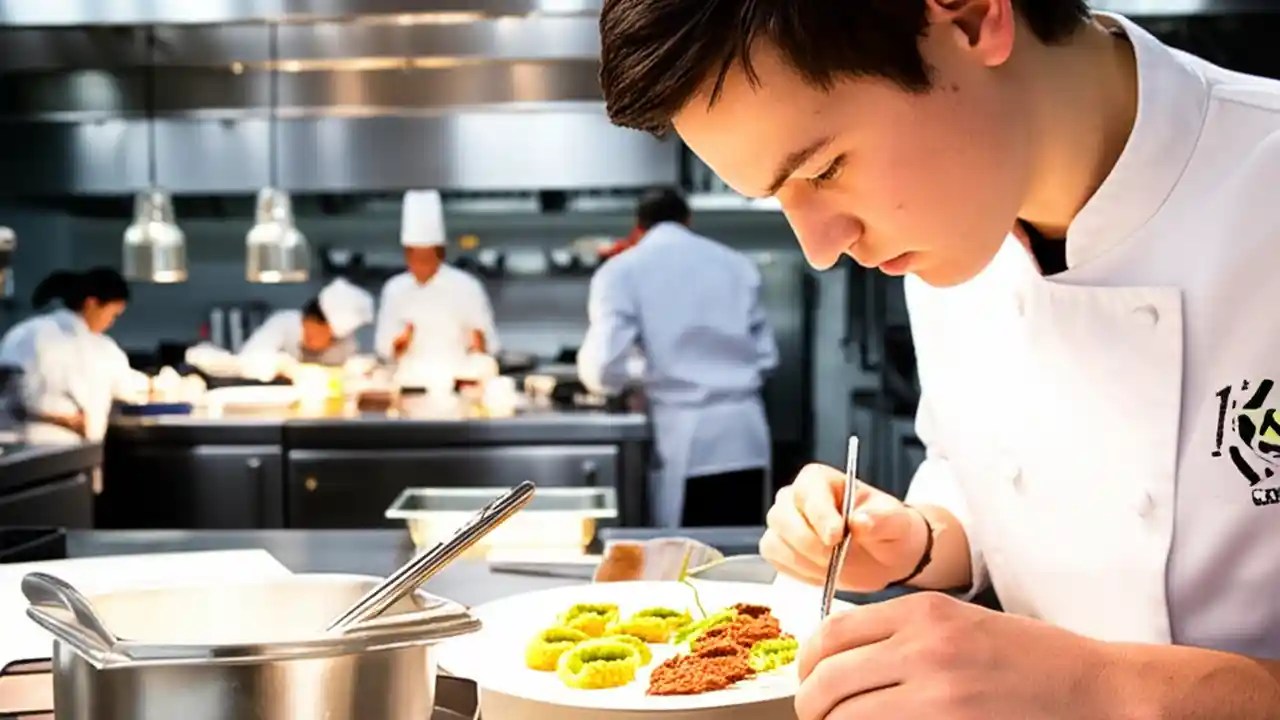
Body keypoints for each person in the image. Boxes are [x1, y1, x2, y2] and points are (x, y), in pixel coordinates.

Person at [600, 0, 1280, 717]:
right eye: (778, 199)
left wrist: (1097, 686)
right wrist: (919, 541)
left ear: (970, 18)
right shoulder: (956, 220)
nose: (822, 249)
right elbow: (990, 479)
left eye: (826, 169)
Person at [577, 188, 779, 528]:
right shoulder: (737, 265)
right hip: (745, 430)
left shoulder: (622, 270)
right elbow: (767, 357)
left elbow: (603, 368)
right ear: (688, 219)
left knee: (687, 555)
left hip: (684, 434)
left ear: (638, 226)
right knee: (744, 549)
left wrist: (643, 375)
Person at [0, 268, 146, 443]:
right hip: (38, 445)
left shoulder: (24, 332)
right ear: (91, 303)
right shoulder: (102, 349)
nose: (111, 322)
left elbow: (129, 387)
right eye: (113, 314)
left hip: (34, 450)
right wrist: (62, 420)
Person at [375, 189, 499, 382]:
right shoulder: (394, 289)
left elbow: (489, 344)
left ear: (440, 253)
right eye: (414, 257)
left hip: (456, 383)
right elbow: (383, 347)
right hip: (409, 385)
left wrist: (479, 345)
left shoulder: (466, 287)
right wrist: (398, 345)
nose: (420, 265)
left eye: (426, 258)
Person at [239, 277, 375, 367]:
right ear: (307, 319)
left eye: (331, 339)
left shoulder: (346, 344)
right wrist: (282, 366)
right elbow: (246, 361)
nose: (321, 342)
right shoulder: (283, 323)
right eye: (314, 332)